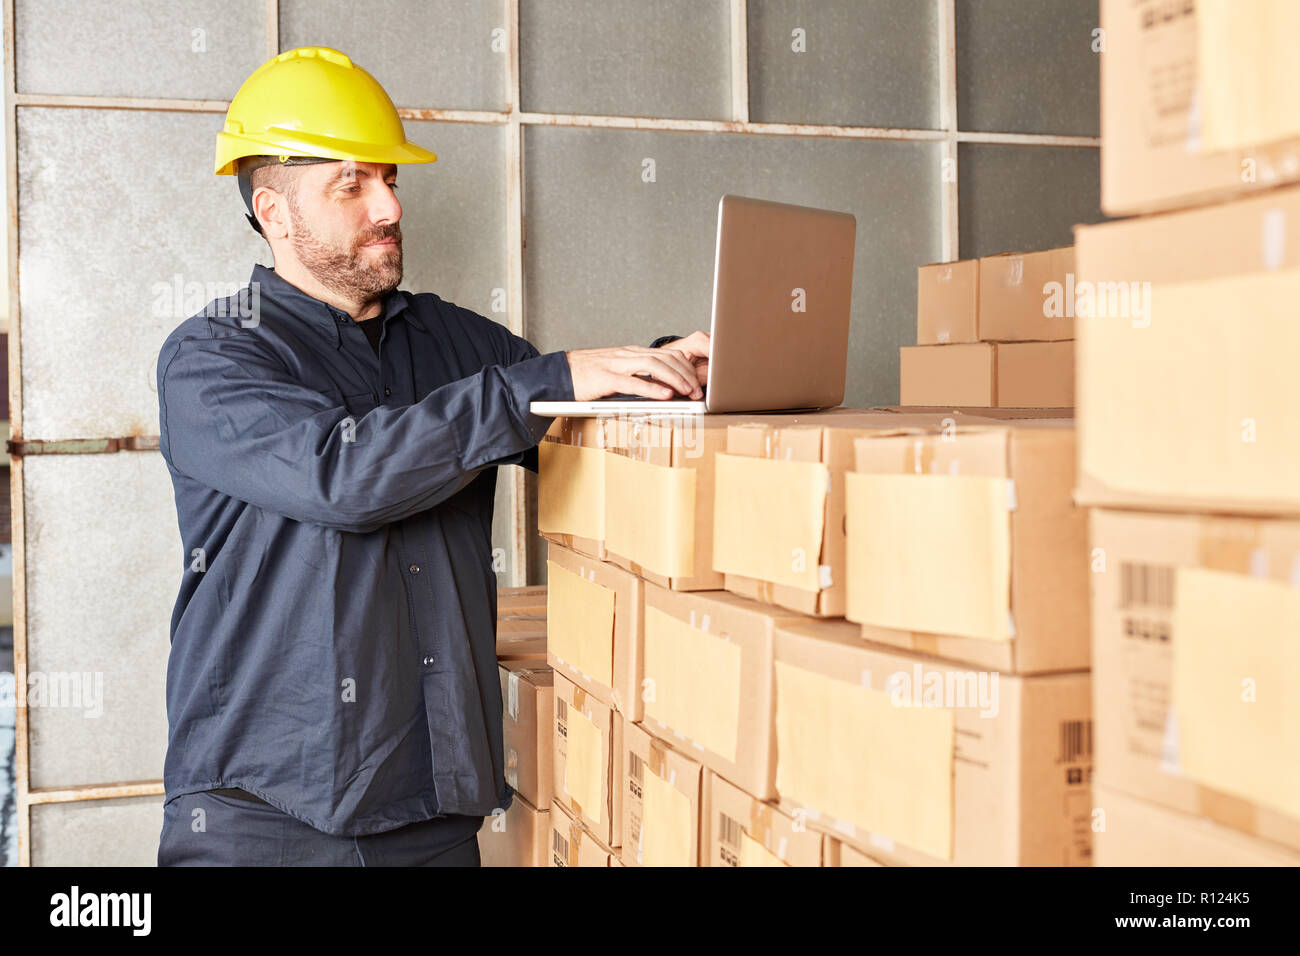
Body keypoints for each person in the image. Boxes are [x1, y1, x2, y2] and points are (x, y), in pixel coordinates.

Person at [155, 46, 708, 866]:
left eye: (390, 179)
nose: (387, 206)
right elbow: (341, 475)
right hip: (266, 816)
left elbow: (562, 422)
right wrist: (545, 380)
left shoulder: (449, 338)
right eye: (352, 183)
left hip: (430, 808)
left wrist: (669, 373)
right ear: (273, 211)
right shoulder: (214, 356)